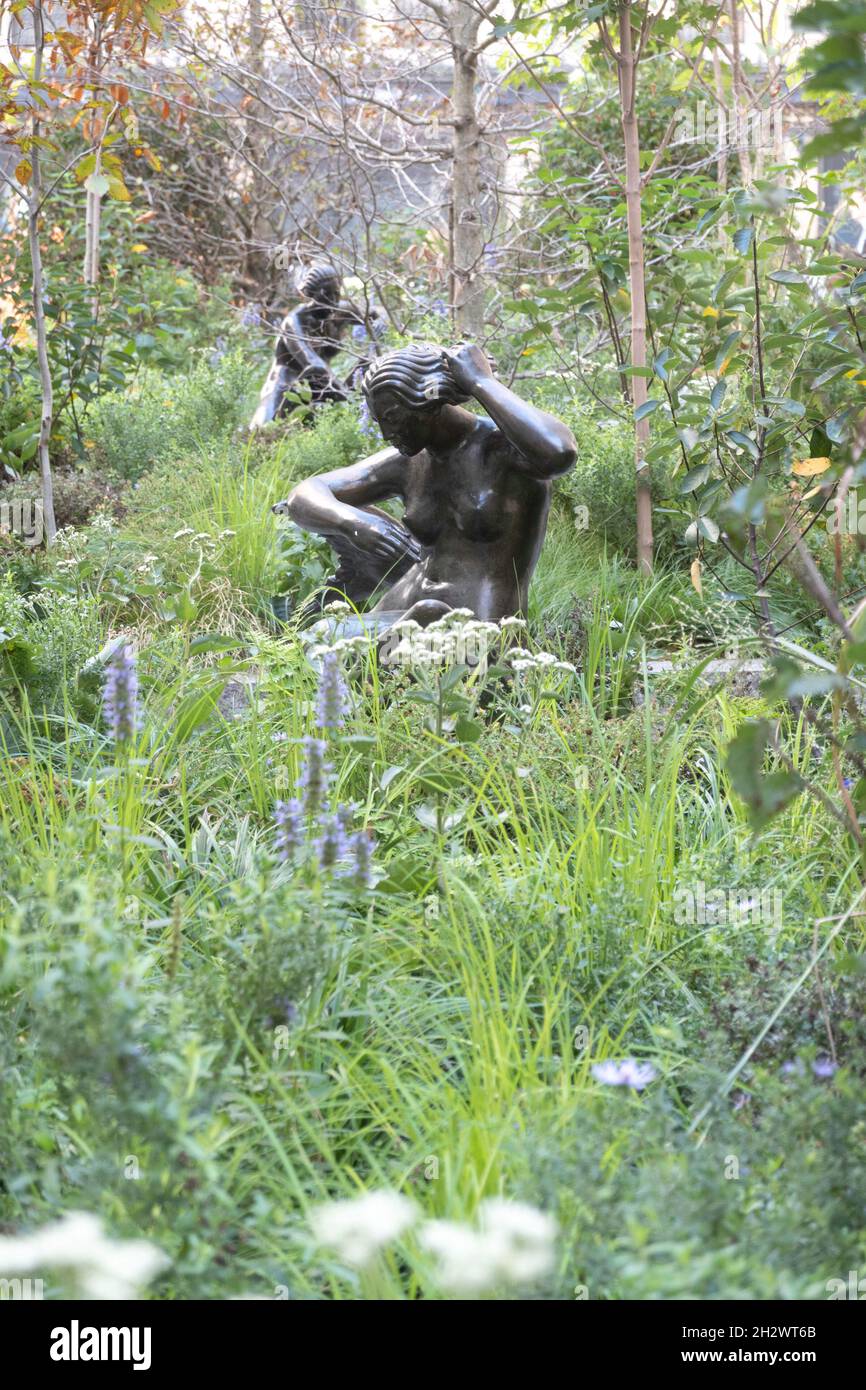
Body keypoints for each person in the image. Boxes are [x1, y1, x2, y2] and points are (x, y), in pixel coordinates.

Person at [276, 342, 577, 625]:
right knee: (322, 639)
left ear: (426, 403)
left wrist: (480, 381)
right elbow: (303, 495)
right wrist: (354, 522)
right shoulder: (408, 462)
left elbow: (559, 453)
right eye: (379, 420)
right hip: (405, 605)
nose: (385, 433)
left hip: (478, 624)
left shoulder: (504, 450)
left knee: (359, 656)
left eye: (392, 418)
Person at [250, 261, 380, 428]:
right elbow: (312, 364)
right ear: (312, 294)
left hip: (320, 385)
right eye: (326, 294)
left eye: (336, 294)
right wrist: (345, 395)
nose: (333, 301)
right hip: (287, 387)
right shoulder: (295, 321)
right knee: (263, 431)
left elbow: (374, 315)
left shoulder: (340, 311)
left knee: (368, 364)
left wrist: (378, 329)